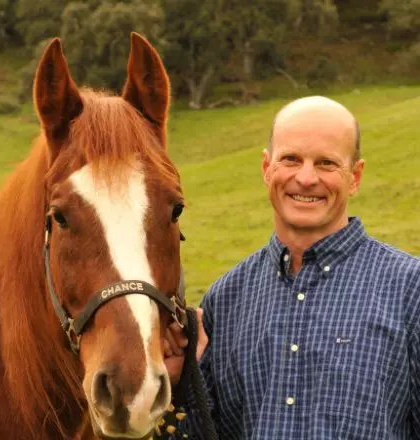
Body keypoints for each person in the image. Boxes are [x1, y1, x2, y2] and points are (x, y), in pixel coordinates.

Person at [163, 96, 420, 440]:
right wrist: (182, 385)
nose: (306, 177)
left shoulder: (410, 290)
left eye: (327, 163)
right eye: (291, 159)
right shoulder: (225, 299)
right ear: (267, 168)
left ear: (355, 177)